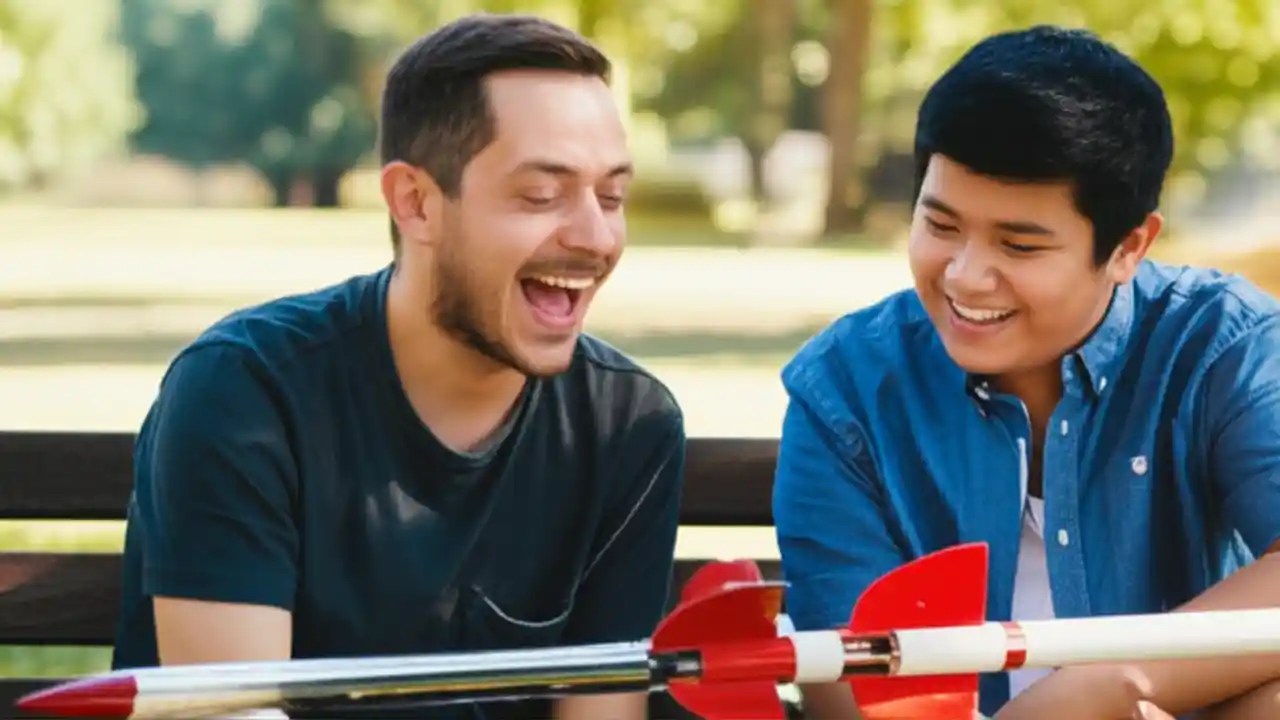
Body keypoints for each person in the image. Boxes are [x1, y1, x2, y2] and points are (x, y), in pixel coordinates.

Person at [111, 13, 686, 720]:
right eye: (541, 194)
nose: (595, 236)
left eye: (612, 196)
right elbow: (231, 714)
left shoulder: (628, 429)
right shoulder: (244, 392)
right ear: (415, 202)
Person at [772, 25, 1280, 720]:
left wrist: (1107, 683)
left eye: (1018, 243)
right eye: (941, 225)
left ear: (1129, 246)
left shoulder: (1221, 345)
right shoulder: (845, 391)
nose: (965, 277)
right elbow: (849, 681)